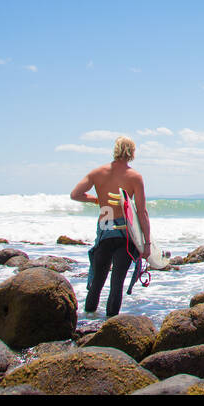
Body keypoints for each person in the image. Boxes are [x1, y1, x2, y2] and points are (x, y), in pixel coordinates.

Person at [70, 135, 150, 317]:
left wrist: (98, 199)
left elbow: (75, 194)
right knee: (117, 283)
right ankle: (110, 325)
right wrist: (147, 243)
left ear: (115, 151)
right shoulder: (135, 177)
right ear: (132, 153)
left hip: (105, 227)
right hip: (125, 233)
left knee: (98, 280)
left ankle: (87, 319)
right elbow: (142, 212)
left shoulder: (97, 173)